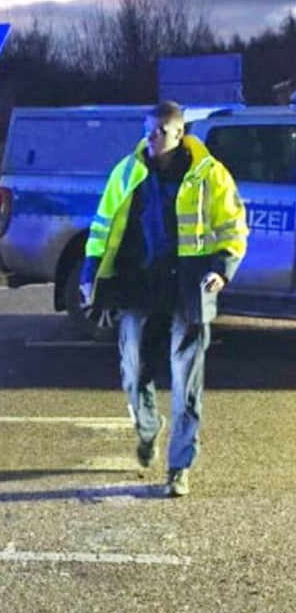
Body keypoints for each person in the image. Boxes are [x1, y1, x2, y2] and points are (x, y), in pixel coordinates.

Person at [79, 101, 249, 498]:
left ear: (179, 133)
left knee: (185, 383)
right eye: (146, 130)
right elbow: (102, 223)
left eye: (157, 131)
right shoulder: (129, 171)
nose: (149, 138)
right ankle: (147, 430)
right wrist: (91, 270)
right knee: (134, 370)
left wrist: (222, 268)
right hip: (139, 287)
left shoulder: (210, 175)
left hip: (189, 289)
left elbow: (233, 226)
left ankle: (179, 467)